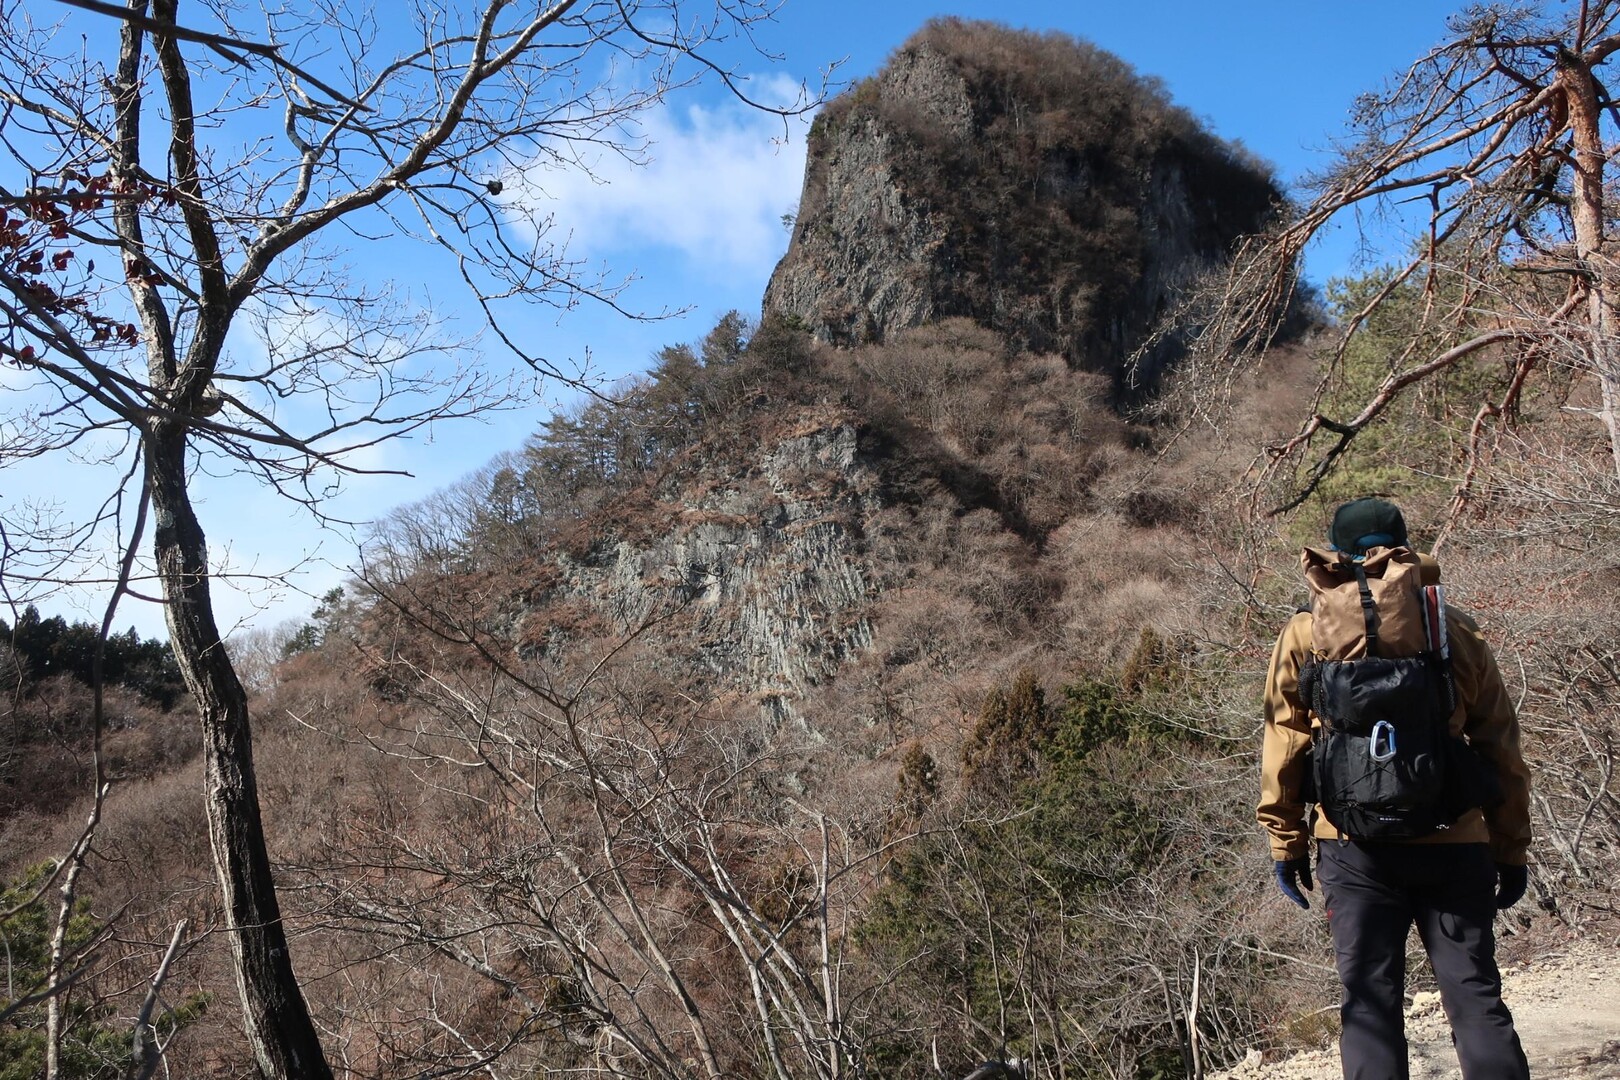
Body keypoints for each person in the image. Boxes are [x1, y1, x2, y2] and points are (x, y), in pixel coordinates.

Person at [1258, 498, 1535, 1080]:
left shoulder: (1306, 633)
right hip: (1454, 839)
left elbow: (1285, 744)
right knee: (1474, 997)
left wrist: (1287, 842)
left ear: (1336, 552)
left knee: (1369, 1005)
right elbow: (1500, 746)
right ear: (1405, 548)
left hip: (1352, 849)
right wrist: (1510, 848)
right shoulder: (1451, 627)